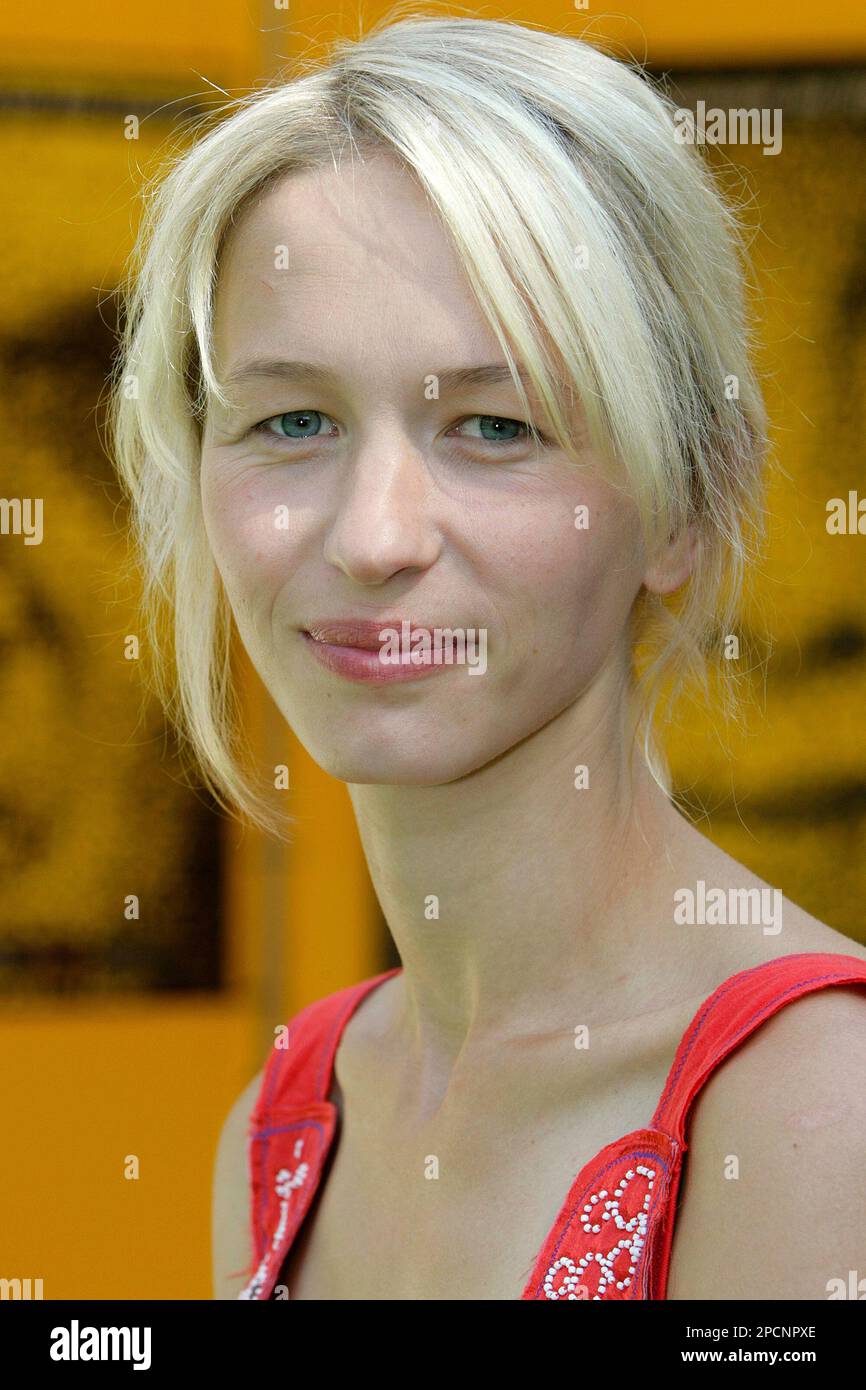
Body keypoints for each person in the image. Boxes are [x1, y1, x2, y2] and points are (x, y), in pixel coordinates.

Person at [108, 12, 866, 1300]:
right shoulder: (285, 1127)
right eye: (292, 419)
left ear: (680, 503)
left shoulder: (814, 1122)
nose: (375, 536)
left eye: (493, 426)